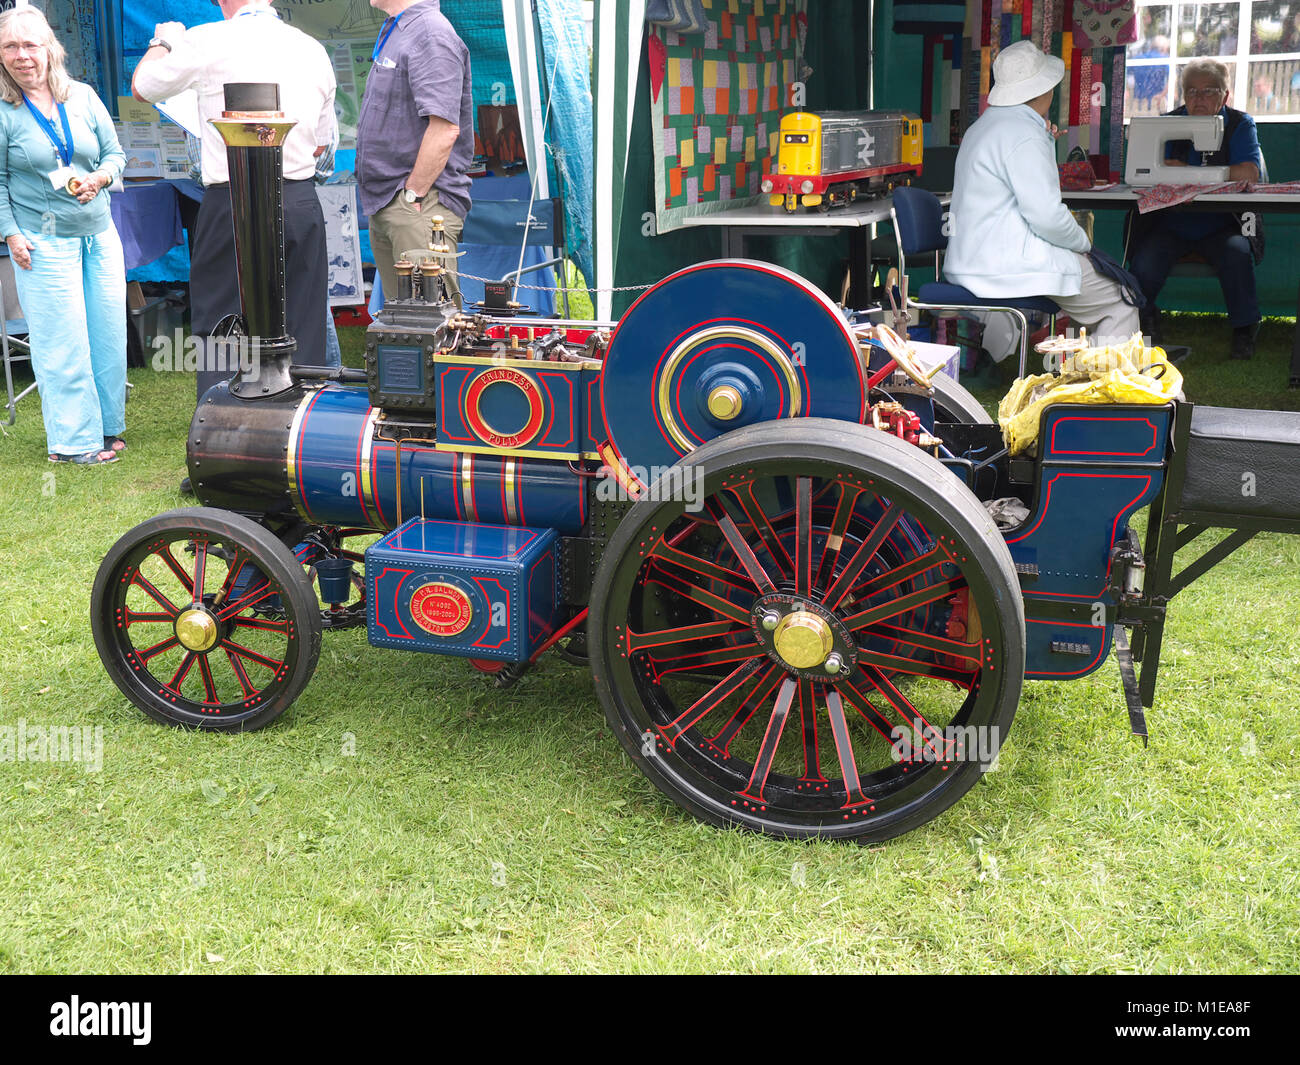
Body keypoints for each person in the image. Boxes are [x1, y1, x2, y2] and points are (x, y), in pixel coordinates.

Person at [132, 0, 337, 490]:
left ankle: (223, 460)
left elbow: (143, 86)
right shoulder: (311, 47)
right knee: (303, 320)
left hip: (237, 195)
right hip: (300, 195)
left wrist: (162, 40)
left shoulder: (204, 39)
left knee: (223, 324)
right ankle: (302, 457)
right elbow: (320, 142)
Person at [945, 40, 1139, 352]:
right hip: (1008, 264)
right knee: (1120, 301)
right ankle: (1113, 392)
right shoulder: (1024, 133)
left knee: (1088, 290)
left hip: (973, 260)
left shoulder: (982, 127)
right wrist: (1084, 245)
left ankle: (1081, 380)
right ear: (1045, 91)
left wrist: (1043, 142)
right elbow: (1046, 216)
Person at [0, 6, 126, 465]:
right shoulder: (4, 111)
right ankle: (74, 443)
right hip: (41, 241)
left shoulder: (84, 96)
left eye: (30, 45)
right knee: (62, 342)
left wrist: (101, 179)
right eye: (10, 47)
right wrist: (11, 234)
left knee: (109, 336)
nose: (22, 56)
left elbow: (115, 154)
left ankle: (109, 427)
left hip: (98, 233)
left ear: (50, 49)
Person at [1128, 58, 1263, 360]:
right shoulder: (1165, 125)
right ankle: (1143, 321)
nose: (1198, 99)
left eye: (1208, 92)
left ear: (1224, 97)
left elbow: (1250, 173)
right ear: (1183, 95)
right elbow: (1144, 174)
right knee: (1143, 263)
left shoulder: (1240, 125)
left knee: (1237, 253)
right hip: (1172, 223)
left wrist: (1189, 172)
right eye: (1192, 92)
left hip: (1221, 223)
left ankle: (1244, 329)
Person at [357, 0, 473, 308]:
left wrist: (411, 196)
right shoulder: (401, 29)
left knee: (431, 329)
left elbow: (444, 130)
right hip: (393, 203)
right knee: (404, 330)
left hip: (417, 204)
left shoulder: (430, 34)